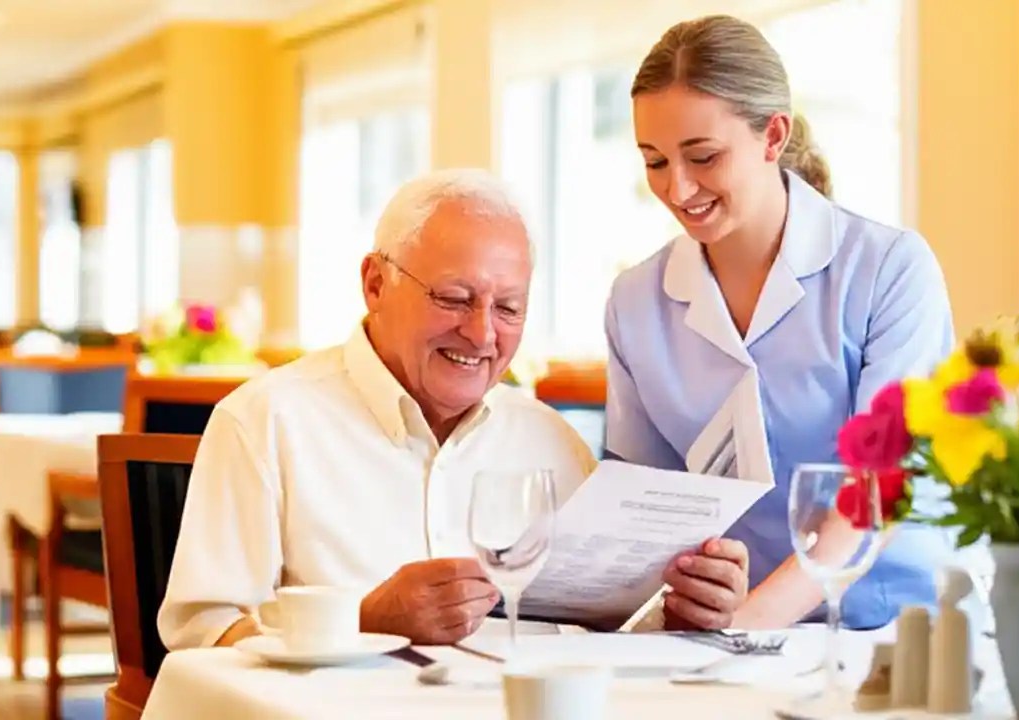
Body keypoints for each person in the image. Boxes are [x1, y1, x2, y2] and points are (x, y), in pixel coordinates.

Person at [158, 169, 747, 650]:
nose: (481, 333)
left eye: (509, 308)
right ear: (375, 284)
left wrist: (683, 613)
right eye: (454, 298)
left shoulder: (551, 443)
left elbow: (603, 631)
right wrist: (363, 621)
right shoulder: (265, 422)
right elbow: (200, 638)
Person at [606, 15, 955, 631]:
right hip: (729, 634)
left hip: (898, 628)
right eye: (655, 161)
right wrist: (696, 595)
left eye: (703, 156)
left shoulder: (888, 271)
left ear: (773, 135)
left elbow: (879, 485)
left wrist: (749, 622)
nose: (678, 188)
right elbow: (649, 506)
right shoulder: (636, 302)